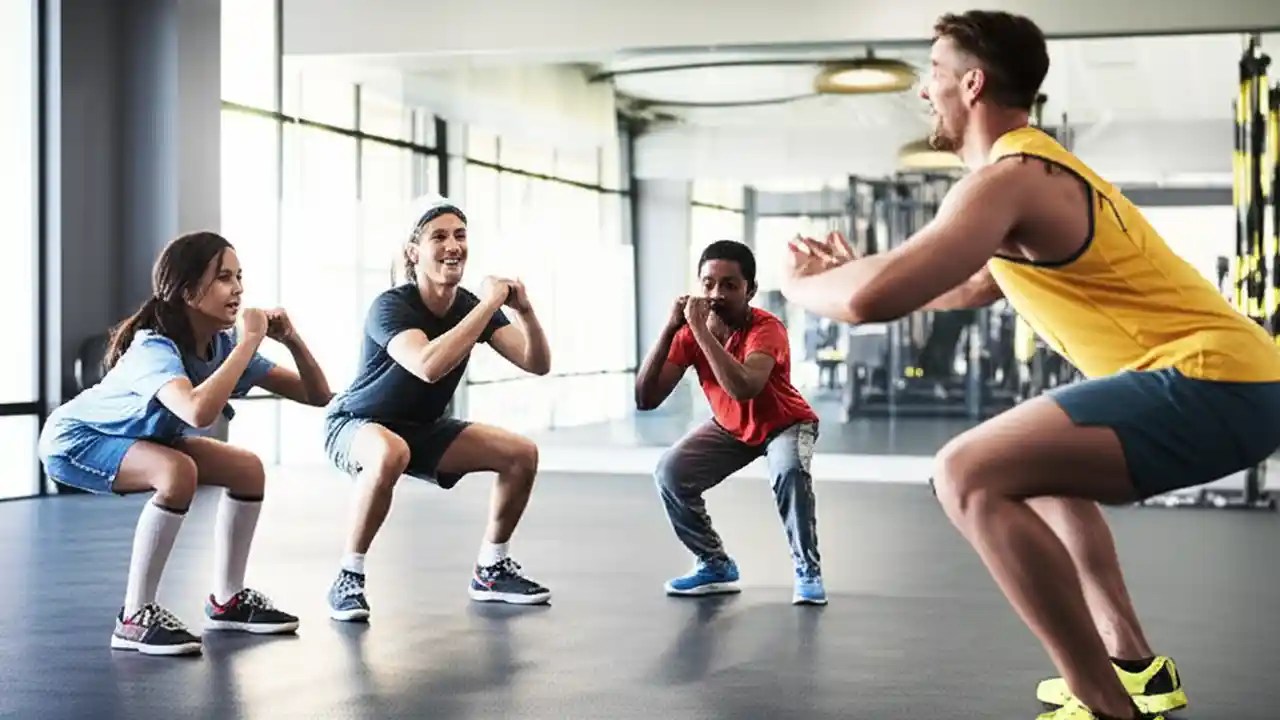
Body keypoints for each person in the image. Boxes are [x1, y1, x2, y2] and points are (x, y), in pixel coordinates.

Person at [779, 10, 1280, 720]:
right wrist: (865, 269)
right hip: (1245, 381)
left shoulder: (1008, 178)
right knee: (1033, 464)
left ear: (972, 84)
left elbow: (868, 303)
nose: (926, 92)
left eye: (935, 75)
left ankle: (1103, 704)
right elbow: (966, 282)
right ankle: (1134, 666)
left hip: (1211, 379)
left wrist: (802, 288)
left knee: (965, 472)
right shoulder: (1039, 170)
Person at [37, 231, 333, 656]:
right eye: (224, 278)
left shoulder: (221, 345)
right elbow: (197, 412)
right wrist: (250, 342)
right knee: (177, 472)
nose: (239, 289)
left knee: (247, 468)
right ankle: (135, 617)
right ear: (189, 291)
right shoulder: (152, 347)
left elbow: (317, 395)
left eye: (240, 276)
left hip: (142, 438)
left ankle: (227, 601)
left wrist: (292, 341)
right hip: (76, 440)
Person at [322, 195, 553, 621]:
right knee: (390, 452)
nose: (453, 246)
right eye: (439, 236)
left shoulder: (466, 305)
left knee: (521, 454)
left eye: (460, 236)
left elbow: (536, 363)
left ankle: (492, 569)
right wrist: (487, 305)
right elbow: (427, 366)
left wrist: (525, 310)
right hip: (357, 423)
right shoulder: (391, 306)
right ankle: (348, 576)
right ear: (414, 253)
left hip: (423, 427)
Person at [635, 240, 827, 605]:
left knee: (789, 471)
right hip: (731, 427)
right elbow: (646, 399)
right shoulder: (690, 332)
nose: (716, 293)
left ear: (749, 290)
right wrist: (669, 328)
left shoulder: (766, 328)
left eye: (729, 285)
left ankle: (808, 569)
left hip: (785, 423)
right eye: (708, 284)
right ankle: (715, 563)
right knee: (670, 471)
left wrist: (700, 331)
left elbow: (744, 388)